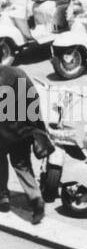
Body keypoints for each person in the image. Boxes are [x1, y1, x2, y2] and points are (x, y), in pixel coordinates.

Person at [0, 62, 45, 221]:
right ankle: (35, 197)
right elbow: (33, 98)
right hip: (21, 130)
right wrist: (37, 128)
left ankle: (3, 196)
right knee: (22, 164)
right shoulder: (17, 73)